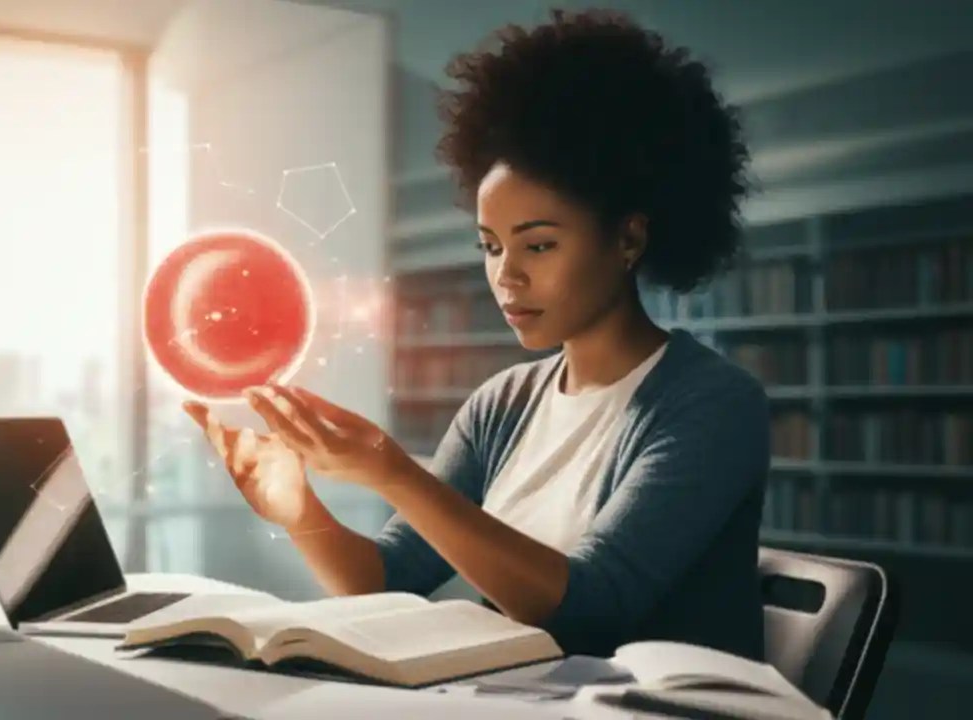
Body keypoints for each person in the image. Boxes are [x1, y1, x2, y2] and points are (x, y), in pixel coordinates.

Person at [183, 7, 769, 660]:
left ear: (628, 238)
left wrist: (394, 473)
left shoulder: (713, 404)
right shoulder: (503, 405)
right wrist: (298, 510)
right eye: (490, 247)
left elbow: (593, 611)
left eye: (539, 245)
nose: (506, 277)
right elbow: (385, 578)